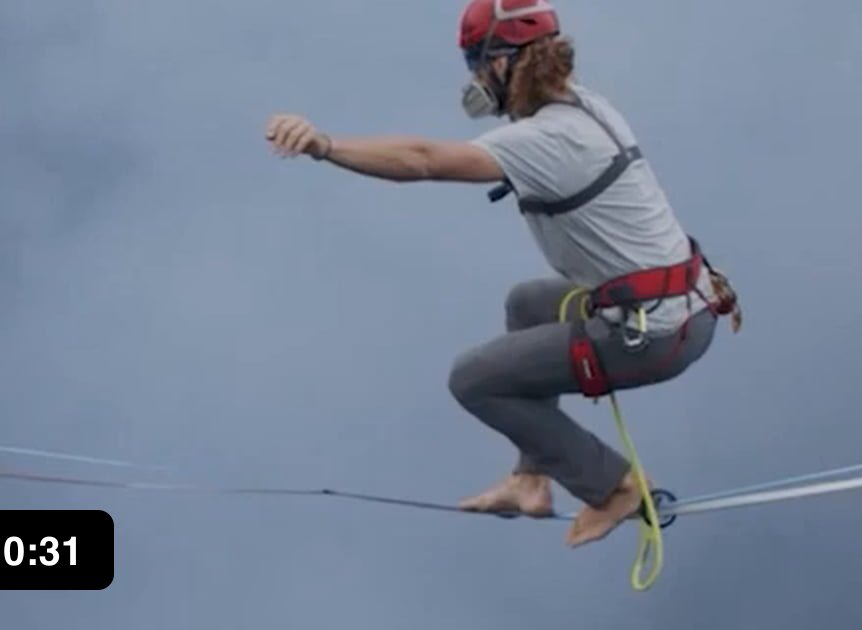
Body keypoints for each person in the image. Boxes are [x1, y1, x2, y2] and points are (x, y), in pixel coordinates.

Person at [264, 0, 740, 548]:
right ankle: (530, 479)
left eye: (475, 61)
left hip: (653, 336)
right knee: (528, 304)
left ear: (503, 62)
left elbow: (422, 160)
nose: (472, 77)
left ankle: (612, 488)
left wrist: (325, 145)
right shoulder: (584, 107)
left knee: (474, 380)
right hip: (687, 304)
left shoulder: (548, 140)